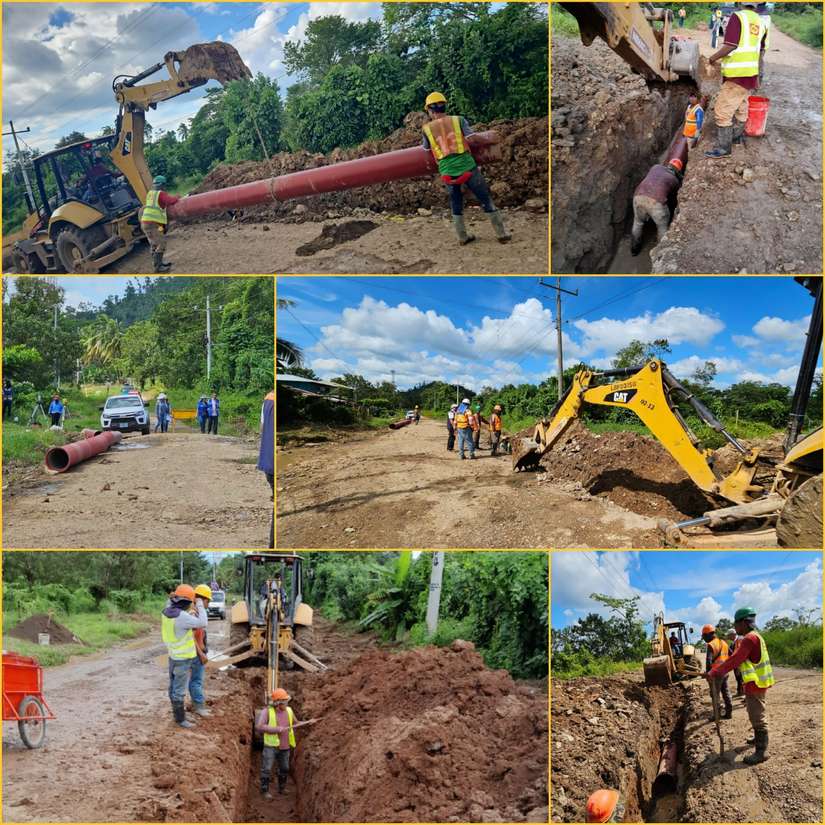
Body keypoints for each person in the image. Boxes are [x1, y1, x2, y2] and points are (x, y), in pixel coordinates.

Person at [422, 91, 511, 245]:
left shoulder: (427, 129)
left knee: (456, 203)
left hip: (447, 172)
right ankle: (501, 234)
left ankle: (462, 237)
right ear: (445, 106)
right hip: (467, 167)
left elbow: (426, 150)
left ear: (429, 110)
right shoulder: (458, 120)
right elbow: (472, 139)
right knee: (484, 198)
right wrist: (489, 139)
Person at [705, 606, 774, 764]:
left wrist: (715, 672)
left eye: (736, 624)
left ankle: (761, 752)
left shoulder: (749, 639)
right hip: (754, 683)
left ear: (744, 622)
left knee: (758, 716)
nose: (735, 628)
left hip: (756, 683)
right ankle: (758, 739)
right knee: (753, 712)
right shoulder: (754, 636)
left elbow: (735, 659)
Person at [705, 2, 767, 159]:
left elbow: (730, 45)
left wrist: (712, 58)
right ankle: (737, 137)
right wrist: (758, 76)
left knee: (722, 111)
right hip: (749, 73)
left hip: (736, 74)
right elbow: (760, 51)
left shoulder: (737, 17)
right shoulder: (761, 22)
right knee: (741, 106)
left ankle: (724, 148)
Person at [161, 584, 208, 728]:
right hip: (182, 659)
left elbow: (170, 602)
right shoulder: (182, 617)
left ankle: (178, 716)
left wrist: (173, 597)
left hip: (173, 656)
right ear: (188, 602)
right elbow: (203, 622)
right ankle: (180, 720)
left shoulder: (166, 612)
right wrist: (199, 603)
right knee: (179, 690)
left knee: (173, 687)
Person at [630, 157, 684, 255]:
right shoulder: (674, 179)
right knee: (662, 227)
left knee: (638, 223)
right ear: (677, 171)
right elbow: (675, 197)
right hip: (656, 202)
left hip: (638, 197)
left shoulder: (656, 167)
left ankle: (634, 250)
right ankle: (660, 254)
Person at [256, 688, 300, 798]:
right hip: (271, 746)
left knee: (284, 768)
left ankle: (282, 788)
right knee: (267, 768)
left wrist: (308, 722)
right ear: (277, 703)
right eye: (284, 701)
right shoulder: (267, 711)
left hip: (285, 746)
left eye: (286, 701)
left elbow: (297, 723)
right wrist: (277, 729)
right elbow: (259, 726)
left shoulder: (289, 711)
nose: (286, 703)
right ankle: (264, 790)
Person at [140, 174, 179, 272]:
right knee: (161, 243)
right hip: (152, 223)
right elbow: (170, 201)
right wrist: (177, 197)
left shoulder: (150, 194)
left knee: (154, 244)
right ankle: (158, 267)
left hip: (147, 223)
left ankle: (158, 264)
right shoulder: (160, 194)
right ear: (162, 185)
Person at [188, 584, 213, 718]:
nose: (209, 603)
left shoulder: (196, 613)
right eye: (208, 600)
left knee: (194, 681)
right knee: (196, 681)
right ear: (202, 600)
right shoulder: (194, 614)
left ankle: (196, 705)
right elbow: (191, 638)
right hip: (196, 655)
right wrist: (201, 653)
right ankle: (199, 707)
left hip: (198, 654)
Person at [702, 624, 732, 719]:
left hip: (716, 674)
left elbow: (708, 661)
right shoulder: (723, 643)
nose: (704, 639)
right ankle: (729, 713)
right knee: (726, 692)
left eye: (704, 636)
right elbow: (732, 654)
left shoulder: (711, 645)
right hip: (725, 672)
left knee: (715, 695)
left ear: (708, 635)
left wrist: (708, 674)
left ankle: (717, 715)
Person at [258, 390, 275, 549]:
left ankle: (273, 545)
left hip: (269, 463)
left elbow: (262, 428)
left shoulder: (267, 400)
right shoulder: (270, 399)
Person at [728, 628, 745, 695]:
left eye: (729, 635)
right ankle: (740, 691)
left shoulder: (739, 640)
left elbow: (739, 654)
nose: (728, 637)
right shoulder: (734, 642)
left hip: (740, 664)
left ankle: (743, 692)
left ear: (733, 635)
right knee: (738, 678)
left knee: (741, 678)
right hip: (736, 664)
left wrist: (738, 666)